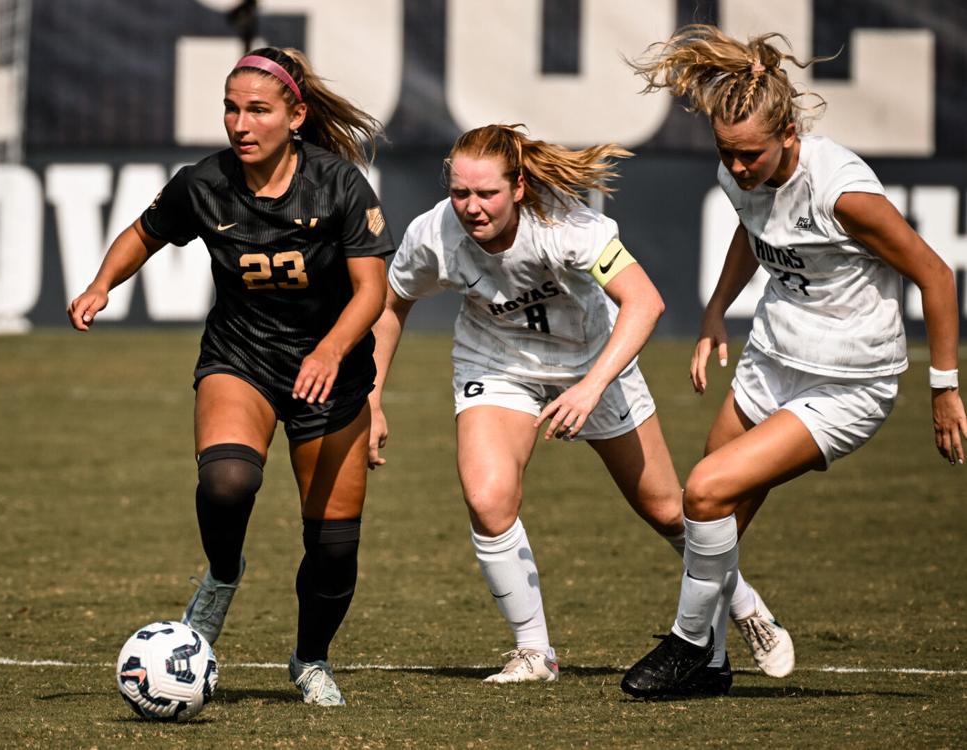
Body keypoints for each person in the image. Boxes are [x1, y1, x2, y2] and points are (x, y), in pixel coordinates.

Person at [368, 123, 791, 691]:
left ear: (518, 187)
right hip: (496, 366)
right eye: (460, 193)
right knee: (488, 499)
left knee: (670, 512)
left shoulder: (565, 225)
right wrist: (371, 398)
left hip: (595, 365)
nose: (470, 207)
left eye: (486, 193)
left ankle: (743, 603)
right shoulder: (433, 233)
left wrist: (591, 386)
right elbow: (391, 305)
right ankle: (534, 652)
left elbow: (645, 303)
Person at [620, 25, 966, 698]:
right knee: (715, 517)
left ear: (786, 135)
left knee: (704, 490)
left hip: (846, 384)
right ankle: (713, 663)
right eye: (727, 154)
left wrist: (943, 388)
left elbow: (936, 276)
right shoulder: (737, 169)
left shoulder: (840, 190)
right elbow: (753, 234)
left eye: (750, 155)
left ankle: (686, 644)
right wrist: (716, 311)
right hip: (771, 358)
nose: (738, 168)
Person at [67, 46, 392, 706]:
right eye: (230, 109)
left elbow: (371, 291)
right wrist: (102, 284)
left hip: (330, 374)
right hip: (240, 357)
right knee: (227, 480)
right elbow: (142, 232)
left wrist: (329, 352)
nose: (240, 124)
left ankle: (310, 660)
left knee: (331, 546)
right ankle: (221, 575)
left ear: (295, 116)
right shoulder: (203, 183)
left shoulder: (338, 186)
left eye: (257, 111)